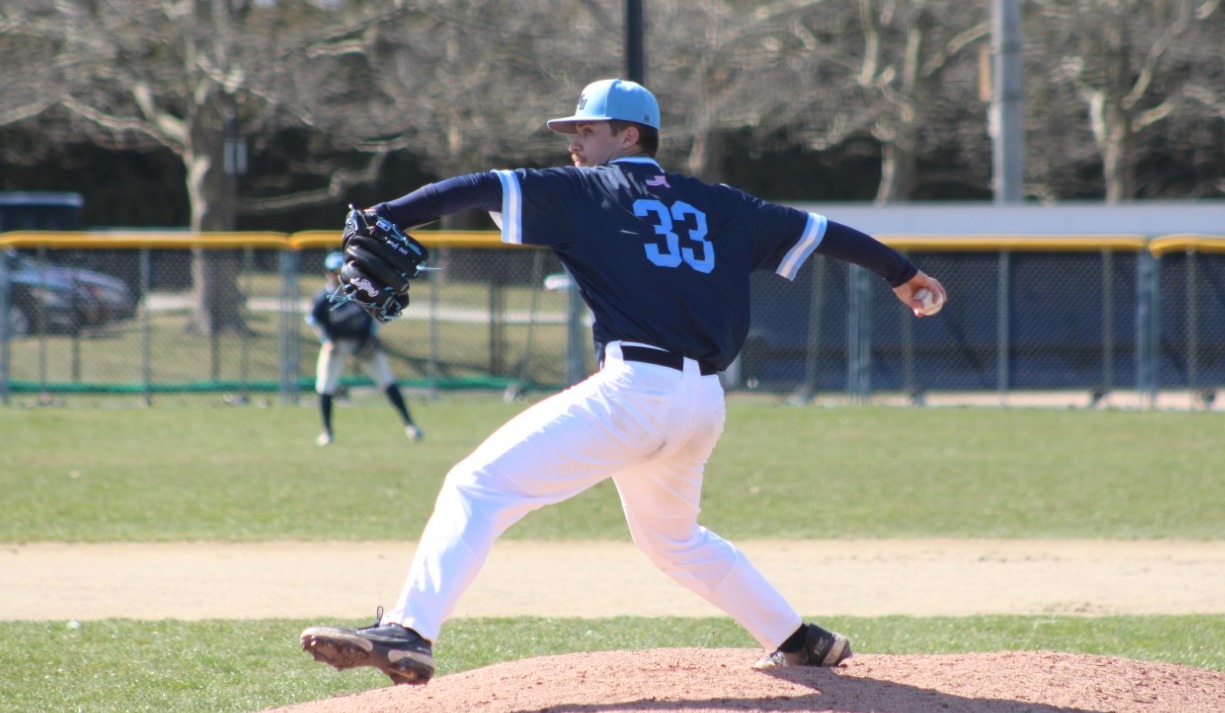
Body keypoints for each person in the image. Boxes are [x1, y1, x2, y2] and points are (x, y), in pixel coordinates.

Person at [300, 79, 947, 685]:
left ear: (631, 136)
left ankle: (408, 630)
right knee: (673, 539)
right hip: (700, 404)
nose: (573, 143)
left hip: (635, 391)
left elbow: (477, 186)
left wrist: (389, 211)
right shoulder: (722, 204)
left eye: (588, 129)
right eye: (572, 132)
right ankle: (798, 639)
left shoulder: (587, 192)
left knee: (477, 484)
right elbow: (824, 232)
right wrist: (901, 273)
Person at [306, 251, 423, 446]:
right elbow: (314, 321)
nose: (337, 275)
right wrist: (326, 341)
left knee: (387, 380)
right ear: (327, 274)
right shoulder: (323, 297)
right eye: (334, 272)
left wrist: (371, 339)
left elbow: (376, 315)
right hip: (337, 344)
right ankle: (327, 432)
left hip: (363, 343)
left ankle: (410, 425)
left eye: (341, 271)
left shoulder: (360, 292)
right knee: (325, 385)